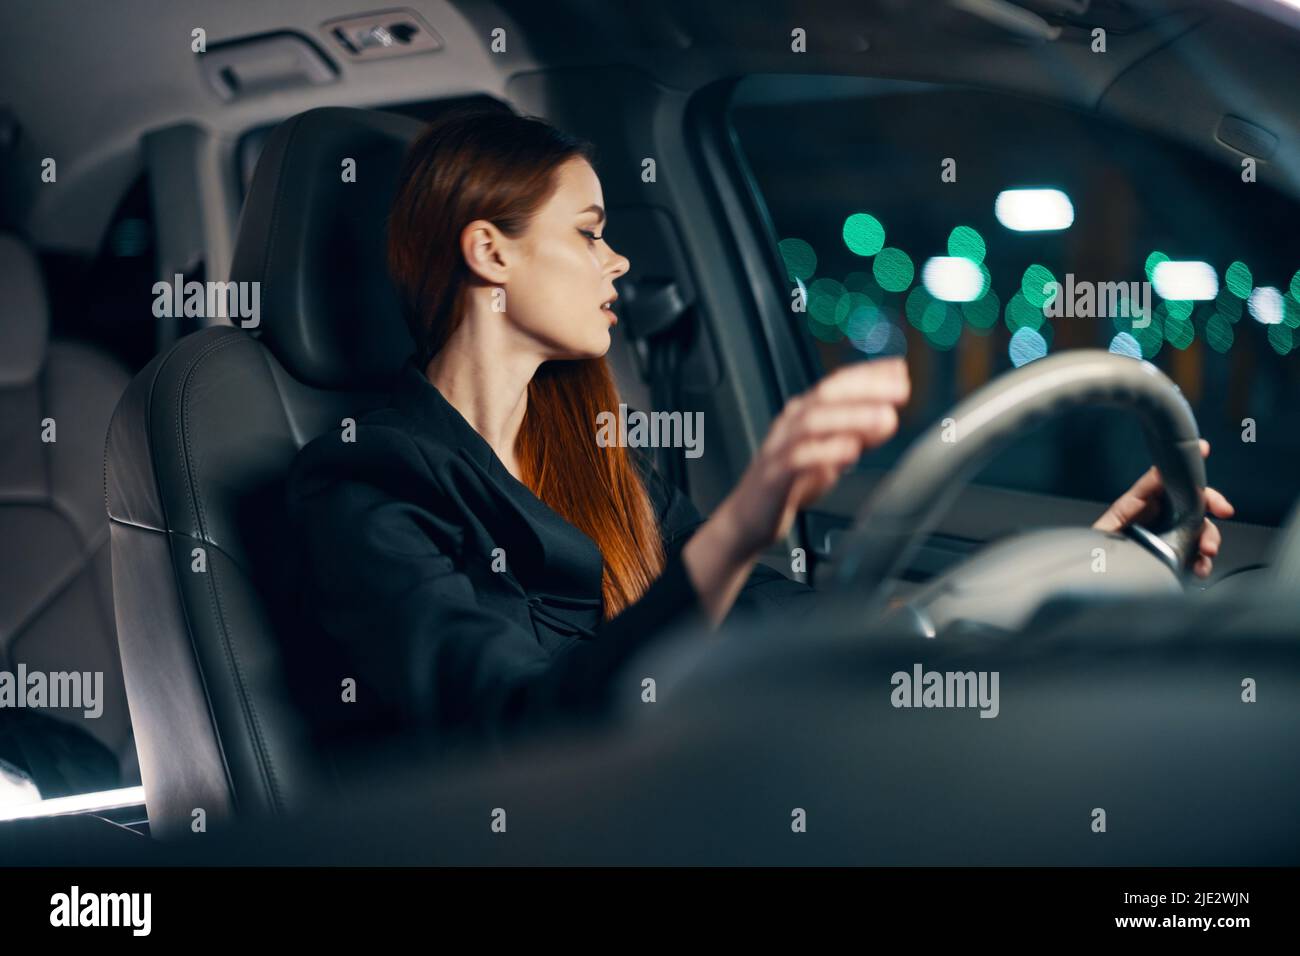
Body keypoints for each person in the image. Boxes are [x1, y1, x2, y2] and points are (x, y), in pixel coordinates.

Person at [285, 109, 1234, 756]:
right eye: (587, 232)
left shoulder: (595, 459)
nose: (617, 261)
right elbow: (515, 726)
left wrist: (1074, 571)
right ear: (490, 249)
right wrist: (743, 523)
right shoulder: (366, 481)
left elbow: (774, 621)